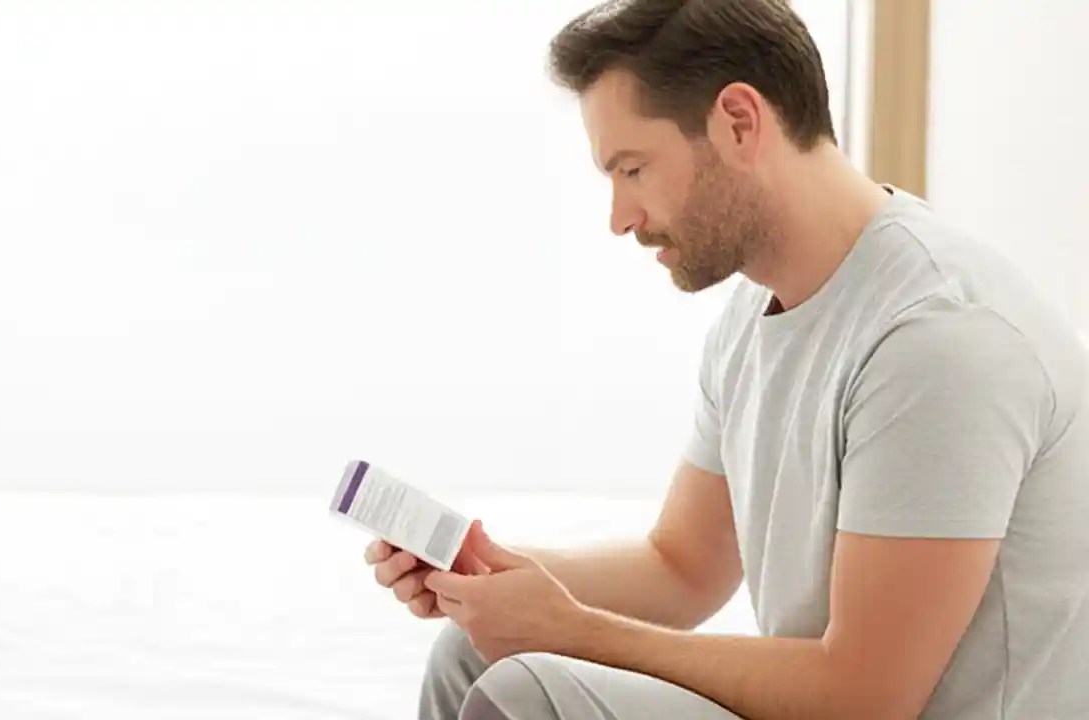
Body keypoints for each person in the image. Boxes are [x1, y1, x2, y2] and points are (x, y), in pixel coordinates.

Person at [364, 0, 1089, 717]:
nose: (619, 217)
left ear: (739, 122)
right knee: (477, 648)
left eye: (634, 169)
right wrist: (489, 578)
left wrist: (572, 631)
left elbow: (865, 696)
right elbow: (680, 569)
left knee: (529, 685)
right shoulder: (753, 318)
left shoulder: (939, 339)